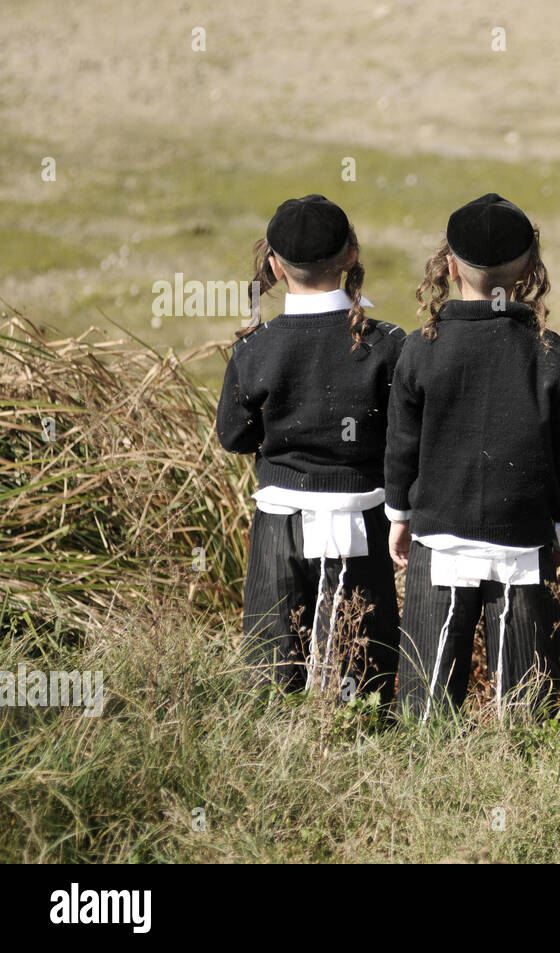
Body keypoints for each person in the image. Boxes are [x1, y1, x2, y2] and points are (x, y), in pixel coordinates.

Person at [385, 193, 560, 721]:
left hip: (438, 538)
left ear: (448, 267)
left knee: (422, 710)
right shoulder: (550, 353)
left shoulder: (419, 347)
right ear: (530, 272)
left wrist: (399, 517)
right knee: (522, 714)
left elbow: (401, 446)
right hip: (522, 546)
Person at [216, 194, 404, 706]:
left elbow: (233, 436)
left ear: (274, 266)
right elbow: (406, 435)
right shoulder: (386, 344)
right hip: (364, 522)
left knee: (270, 673)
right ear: (351, 256)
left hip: (279, 523)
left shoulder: (256, 347)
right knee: (364, 676)